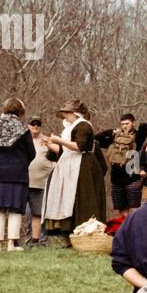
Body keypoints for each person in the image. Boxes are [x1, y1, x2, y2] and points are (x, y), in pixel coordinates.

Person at [43, 100, 107, 243]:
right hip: (69, 166)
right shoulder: (70, 128)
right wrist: (50, 144)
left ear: (75, 113)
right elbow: (64, 151)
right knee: (68, 200)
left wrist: (59, 140)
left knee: (82, 199)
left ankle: (86, 237)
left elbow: (80, 146)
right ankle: (69, 236)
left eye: (67, 113)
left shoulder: (83, 125)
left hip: (82, 166)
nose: (65, 116)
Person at [0, 99, 37, 252]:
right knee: (15, 208)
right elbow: (32, 153)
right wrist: (21, 163)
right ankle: (11, 243)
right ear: (21, 111)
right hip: (17, 174)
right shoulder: (23, 128)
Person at [106, 113, 146, 216]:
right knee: (121, 210)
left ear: (133, 123)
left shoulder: (137, 137)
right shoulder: (115, 137)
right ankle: (124, 226)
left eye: (127, 123)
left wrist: (132, 131)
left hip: (132, 176)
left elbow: (144, 127)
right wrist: (112, 132)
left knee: (134, 209)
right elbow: (97, 138)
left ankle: (133, 226)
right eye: (122, 124)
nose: (124, 126)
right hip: (116, 177)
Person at [23, 119, 54, 248]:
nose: (35, 127)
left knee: (40, 213)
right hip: (25, 182)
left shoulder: (46, 141)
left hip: (42, 183)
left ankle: (41, 241)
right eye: (33, 124)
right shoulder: (23, 140)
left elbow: (55, 158)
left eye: (38, 125)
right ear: (28, 126)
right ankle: (29, 240)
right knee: (27, 214)